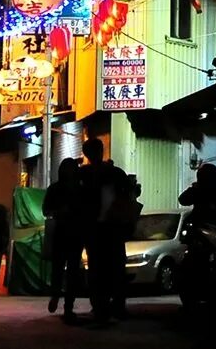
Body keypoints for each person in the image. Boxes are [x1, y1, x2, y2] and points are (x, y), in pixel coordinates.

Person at [79, 137, 125, 323]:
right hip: (113, 227)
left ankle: (100, 306)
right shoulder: (114, 172)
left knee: (97, 269)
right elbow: (130, 192)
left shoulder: (84, 174)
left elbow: (78, 200)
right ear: (101, 150)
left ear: (86, 154)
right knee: (116, 268)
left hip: (94, 228)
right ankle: (117, 306)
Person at [43, 157, 87, 322]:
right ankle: (61, 300)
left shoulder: (66, 188)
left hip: (67, 233)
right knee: (66, 270)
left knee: (65, 271)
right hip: (69, 233)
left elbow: (46, 209)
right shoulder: (75, 189)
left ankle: (64, 302)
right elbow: (46, 209)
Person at [179, 161, 216, 232]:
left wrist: (196, 188)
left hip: (214, 229)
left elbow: (183, 200)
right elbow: (183, 200)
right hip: (206, 229)